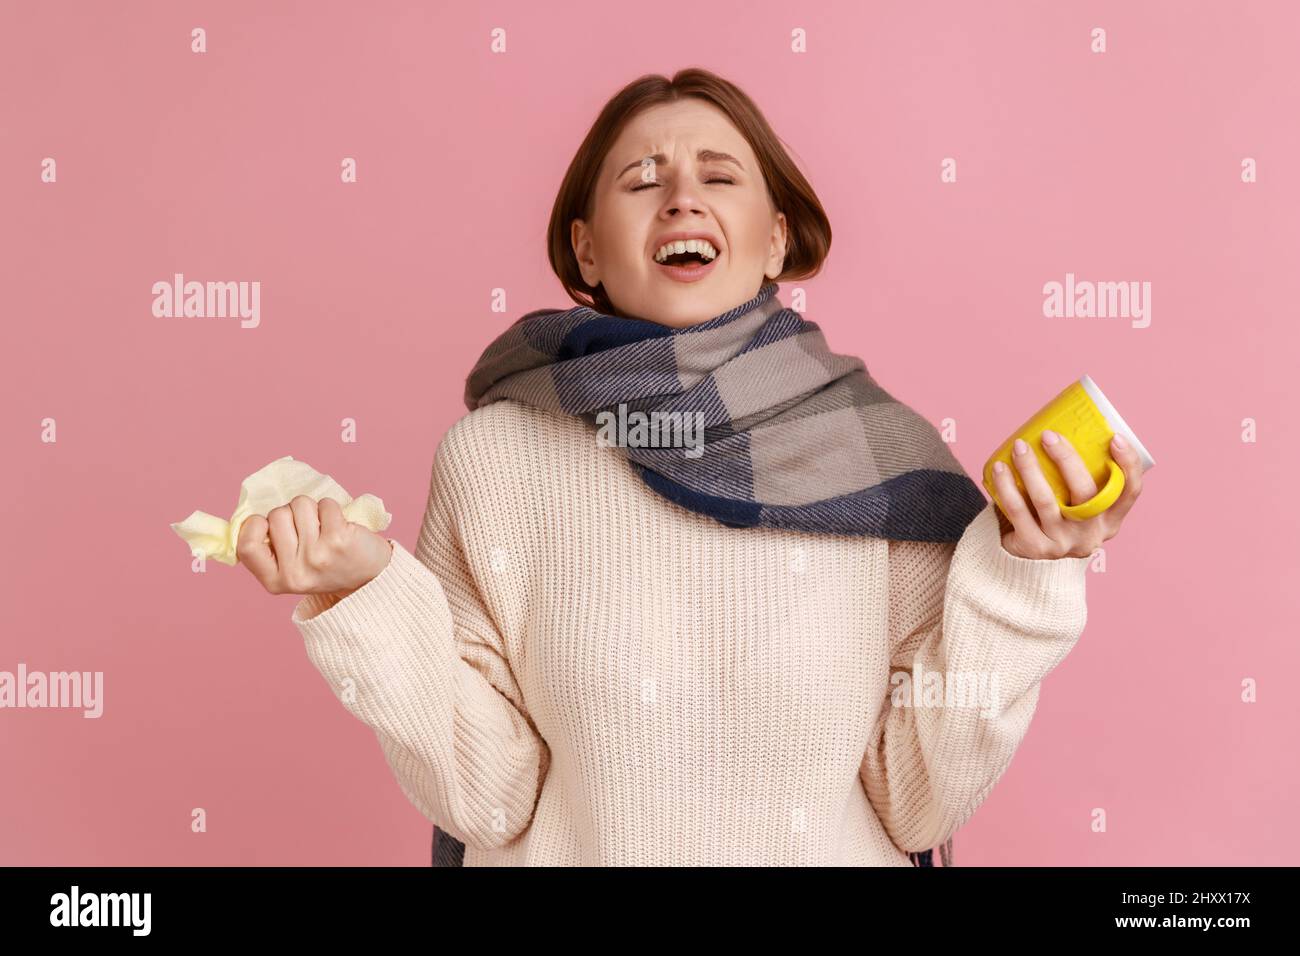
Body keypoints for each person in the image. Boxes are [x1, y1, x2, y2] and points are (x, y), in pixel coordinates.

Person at [237, 68, 1144, 867]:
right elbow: (492, 798)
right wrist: (366, 596)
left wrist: (1028, 572)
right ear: (587, 248)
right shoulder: (496, 462)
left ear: (777, 239)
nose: (681, 199)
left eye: (719, 176)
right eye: (642, 181)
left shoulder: (882, 462)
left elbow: (916, 803)